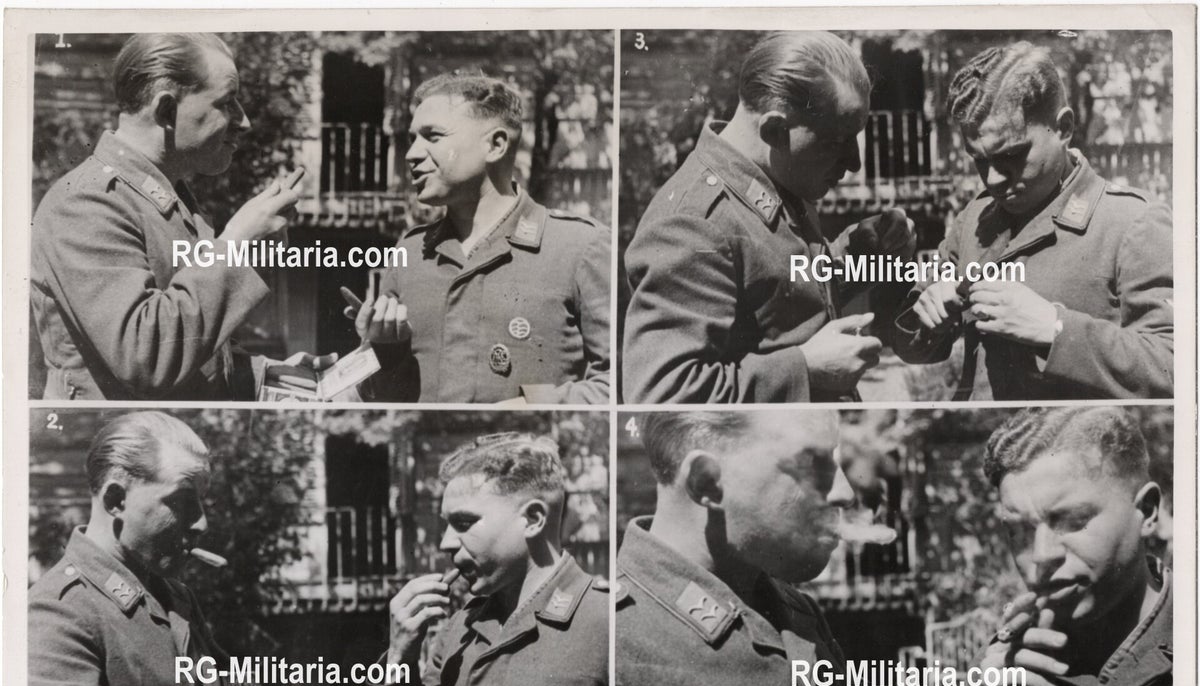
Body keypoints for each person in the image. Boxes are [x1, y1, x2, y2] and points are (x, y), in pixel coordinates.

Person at [616, 411, 937, 686]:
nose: (844, 493)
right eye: (813, 464)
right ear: (708, 482)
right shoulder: (611, 641)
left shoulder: (796, 609)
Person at [621, 31, 919, 404]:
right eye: (836, 141)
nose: (854, 162)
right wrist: (805, 368)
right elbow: (663, 394)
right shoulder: (693, 223)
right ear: (775, 131)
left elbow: (771, 298)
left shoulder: (770, 179)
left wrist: (856, 255)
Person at [31, 33, 327, 401]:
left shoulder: (165, 199)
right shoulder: (85, 204)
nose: (244, 121)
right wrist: (235, 242)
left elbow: (189, 354)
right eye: (227, 103)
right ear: (167, 111)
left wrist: (267, 376)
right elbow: (147, 358)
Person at [27, 412, 305, 686]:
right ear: (115, 500)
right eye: (183, 501)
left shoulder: (175, 596)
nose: (202, 523)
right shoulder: (55, 612)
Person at [894, 42, 1173, 400]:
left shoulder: (1134, 222)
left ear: (1064, 128)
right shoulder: (975, 218)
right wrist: (927, 312)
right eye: (978, 160)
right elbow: (909, 345)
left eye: (1011, 155)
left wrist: (1054, 329)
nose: (992, 179)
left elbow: (1174, 367)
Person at [350, 73, 611, 404]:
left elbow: (620, 384)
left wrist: (535, 406)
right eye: (414, 138)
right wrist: (387, 352)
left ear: (495, 145)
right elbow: (376, 400)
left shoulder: (579, 247)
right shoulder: (411, 254)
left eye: (433, 136)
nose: (412, 154)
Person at [942, 407, 1171, 686]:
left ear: (1146, 511)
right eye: (1018, 530)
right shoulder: (998, 672)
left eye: (1073, 521)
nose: (1042, 554)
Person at [368, 433, 608, 686]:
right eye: (446, 524)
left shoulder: (607, 623)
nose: (446, 543)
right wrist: (398, 660)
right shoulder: (459, 631)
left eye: (464, 523)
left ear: (533, 519)